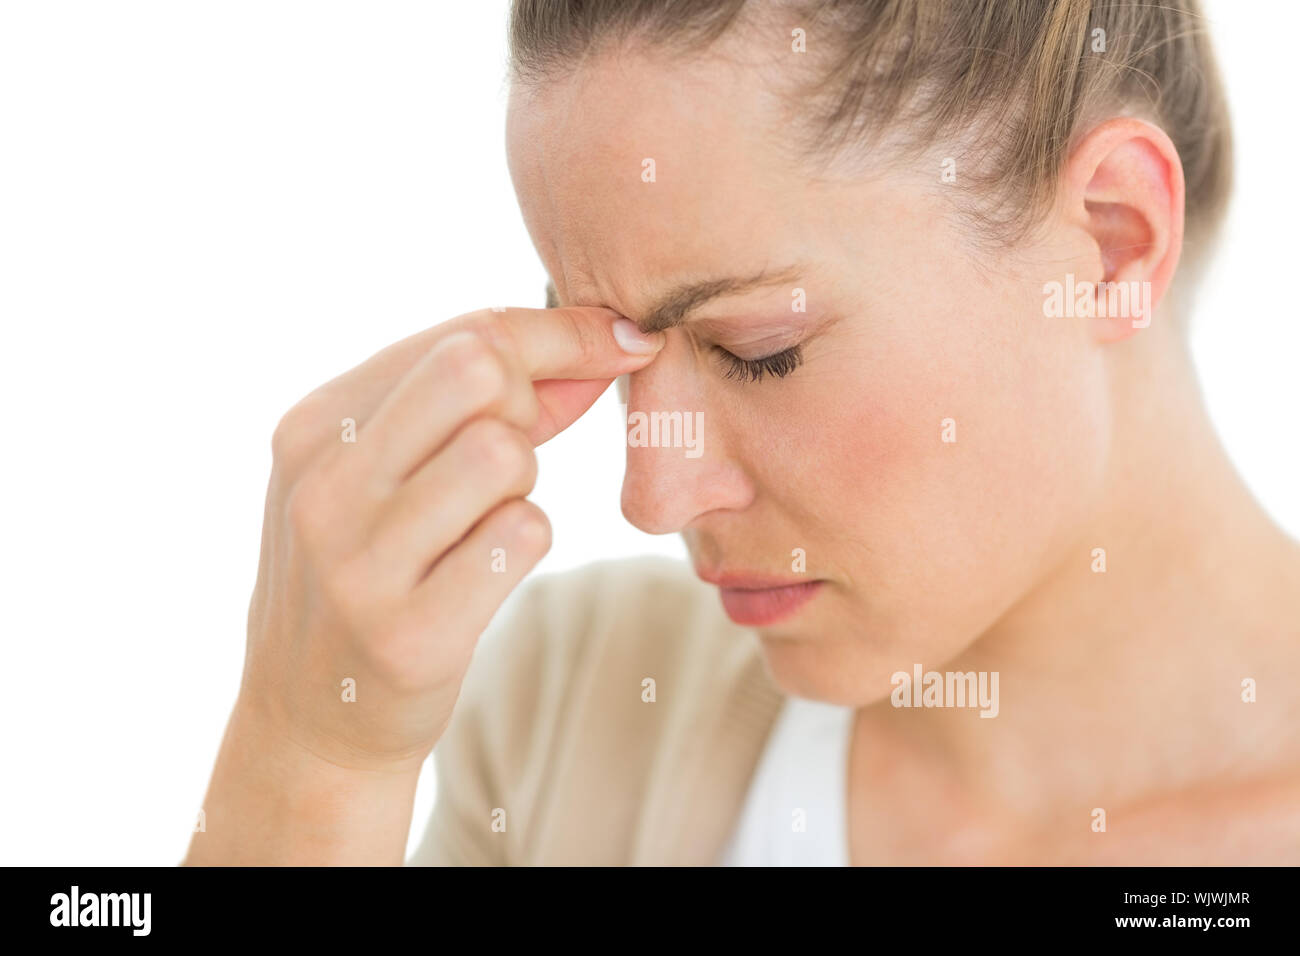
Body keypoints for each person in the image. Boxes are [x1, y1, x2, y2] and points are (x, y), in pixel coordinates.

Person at [184, 0, 1300, 866]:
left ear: (1108, 242)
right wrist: (311, 759)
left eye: (758, 349)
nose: (651, 495)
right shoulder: (571, 706)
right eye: (611, 355)